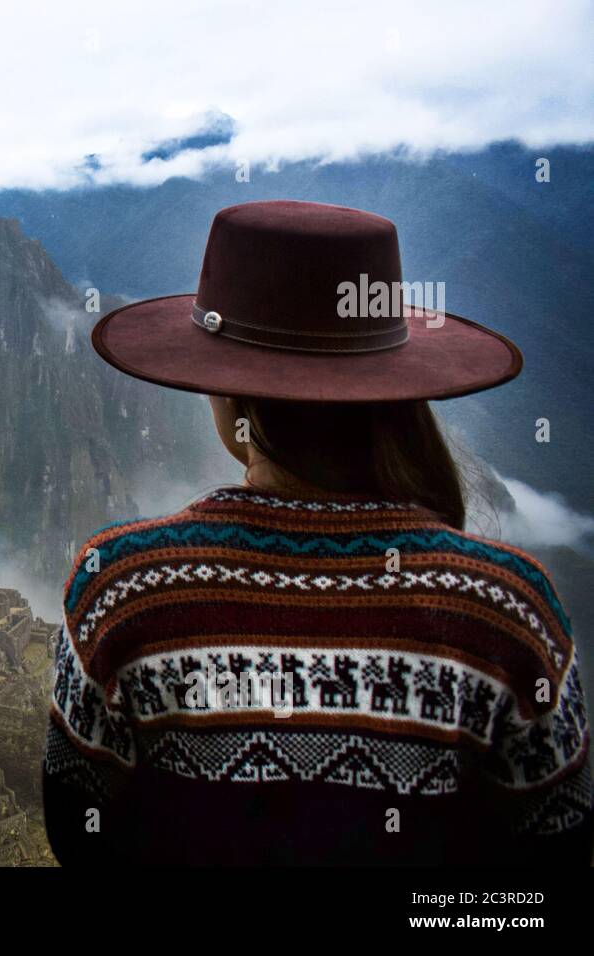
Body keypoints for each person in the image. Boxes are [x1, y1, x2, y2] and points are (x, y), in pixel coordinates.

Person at [44, 200, 592, 866]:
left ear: (225, 392)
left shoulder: (121, 590)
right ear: (394, 384)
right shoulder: (508, 608)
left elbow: (81, 832)